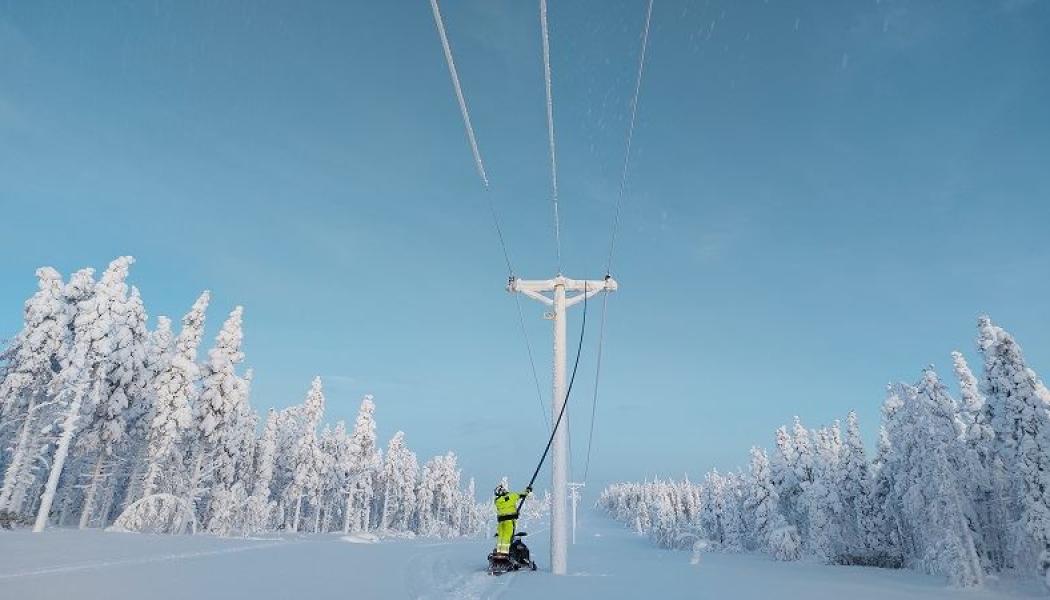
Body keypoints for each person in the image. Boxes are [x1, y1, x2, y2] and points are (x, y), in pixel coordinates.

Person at [493, 483, 530, 555]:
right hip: (509, 521)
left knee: (501, 537)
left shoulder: (497, 501)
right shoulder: (511, 497)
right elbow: (521, 495)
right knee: (507, 536)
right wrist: (527, 490)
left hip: (501, 522)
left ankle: (499, 552)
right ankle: (504, 553)